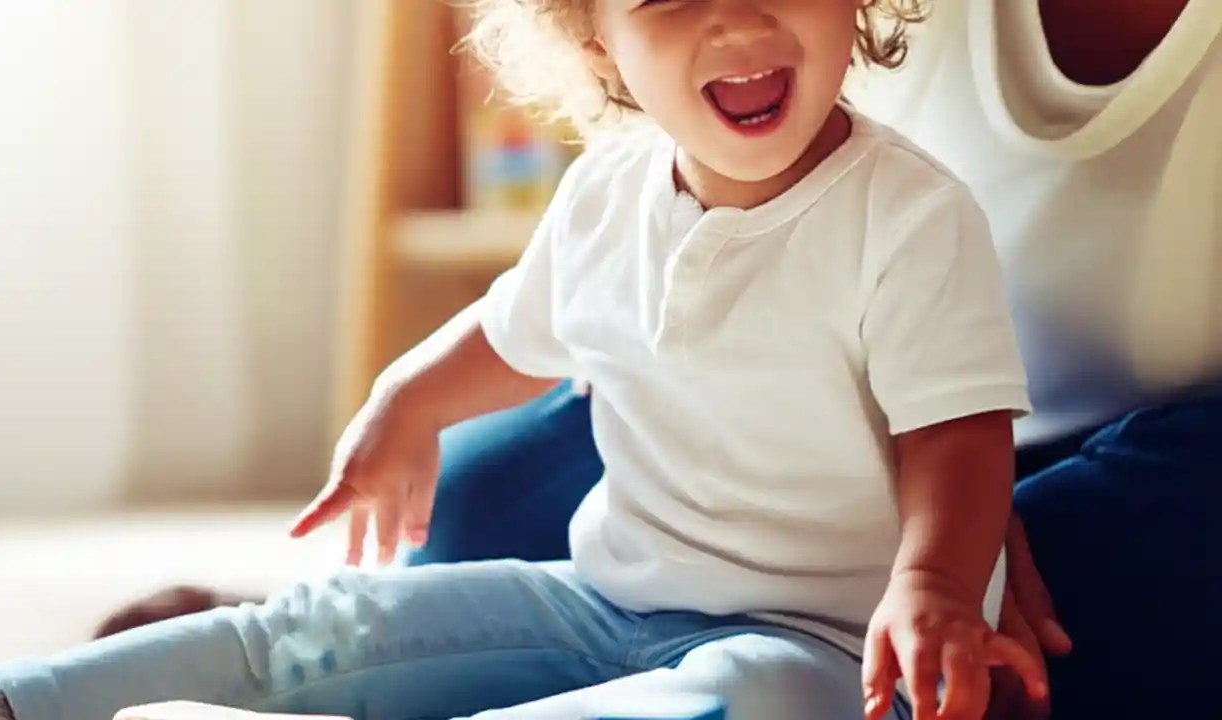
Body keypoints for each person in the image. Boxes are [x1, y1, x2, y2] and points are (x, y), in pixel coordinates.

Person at [83, 0, 1222, 718]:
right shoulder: (643, 165)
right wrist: (406, 399)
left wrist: (946, 534)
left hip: (1145, 450)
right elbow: (537, 320)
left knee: (1120, 591)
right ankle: (388, 644)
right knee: (481, 494)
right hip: (839, 390)